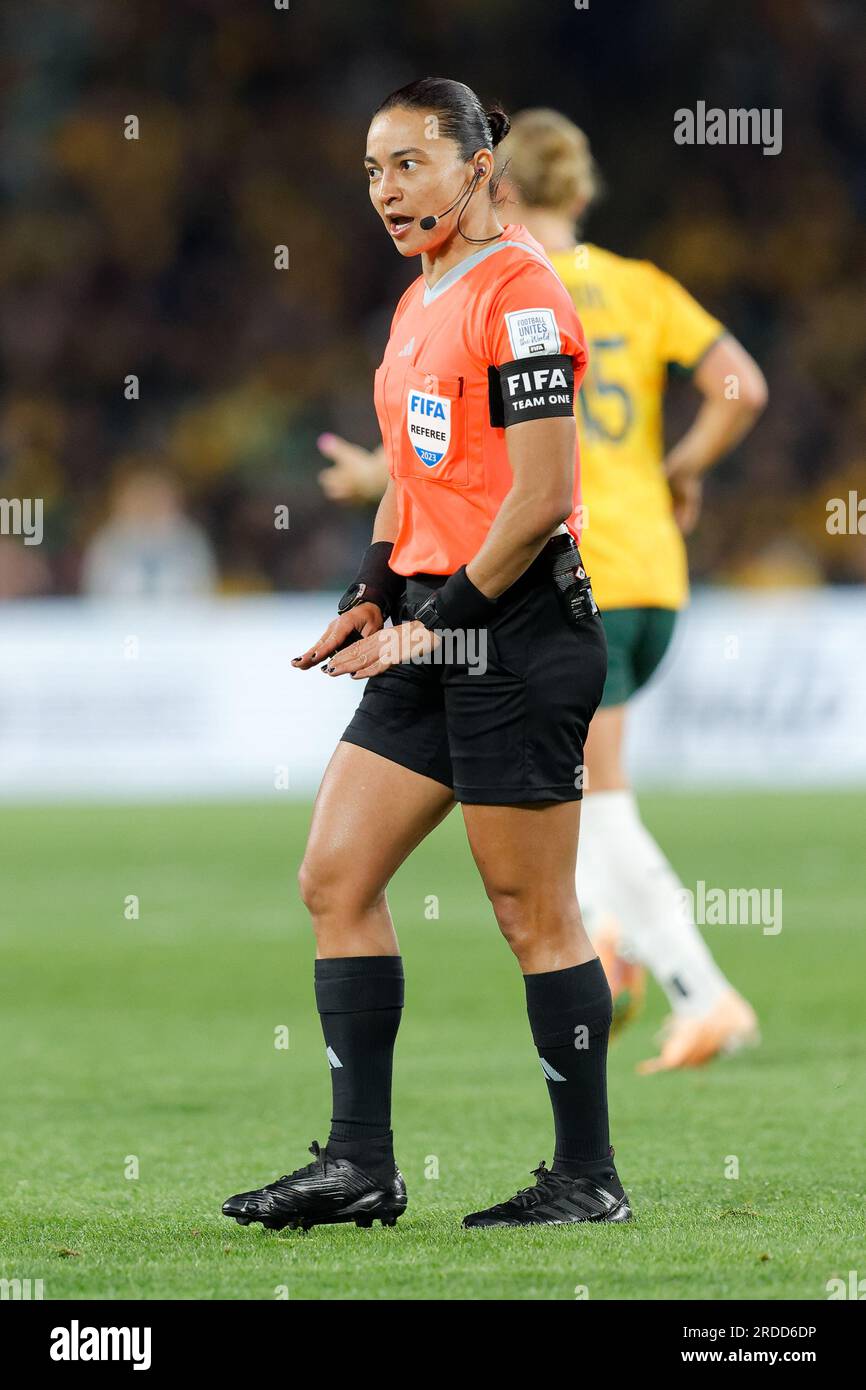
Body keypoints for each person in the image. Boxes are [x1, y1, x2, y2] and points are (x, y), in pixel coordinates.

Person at [222, 78, 631, 1233]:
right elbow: (416, 473)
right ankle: (359, 1166)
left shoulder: (526, 298)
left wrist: (433, 611)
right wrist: (370, 589)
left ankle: (586, 1177)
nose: (384, 190)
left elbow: (541, 495)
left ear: (475, 166)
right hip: (425, 622)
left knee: (528, 914)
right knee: (334, 878)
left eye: (407, 164)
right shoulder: (420, 301)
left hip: (515, 633)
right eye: (369, 171)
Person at [317, 108, 768, 1073]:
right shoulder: (639, 288)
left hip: (547, 573)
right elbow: (742, 385)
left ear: (494, 181)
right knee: (585, 801)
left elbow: (499, 472)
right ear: (586, 189)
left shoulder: (503, 283)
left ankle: (695, 987)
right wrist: (681, 468)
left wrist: (387, 507)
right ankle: (610, 941)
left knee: (590, 809)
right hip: (654, 568)